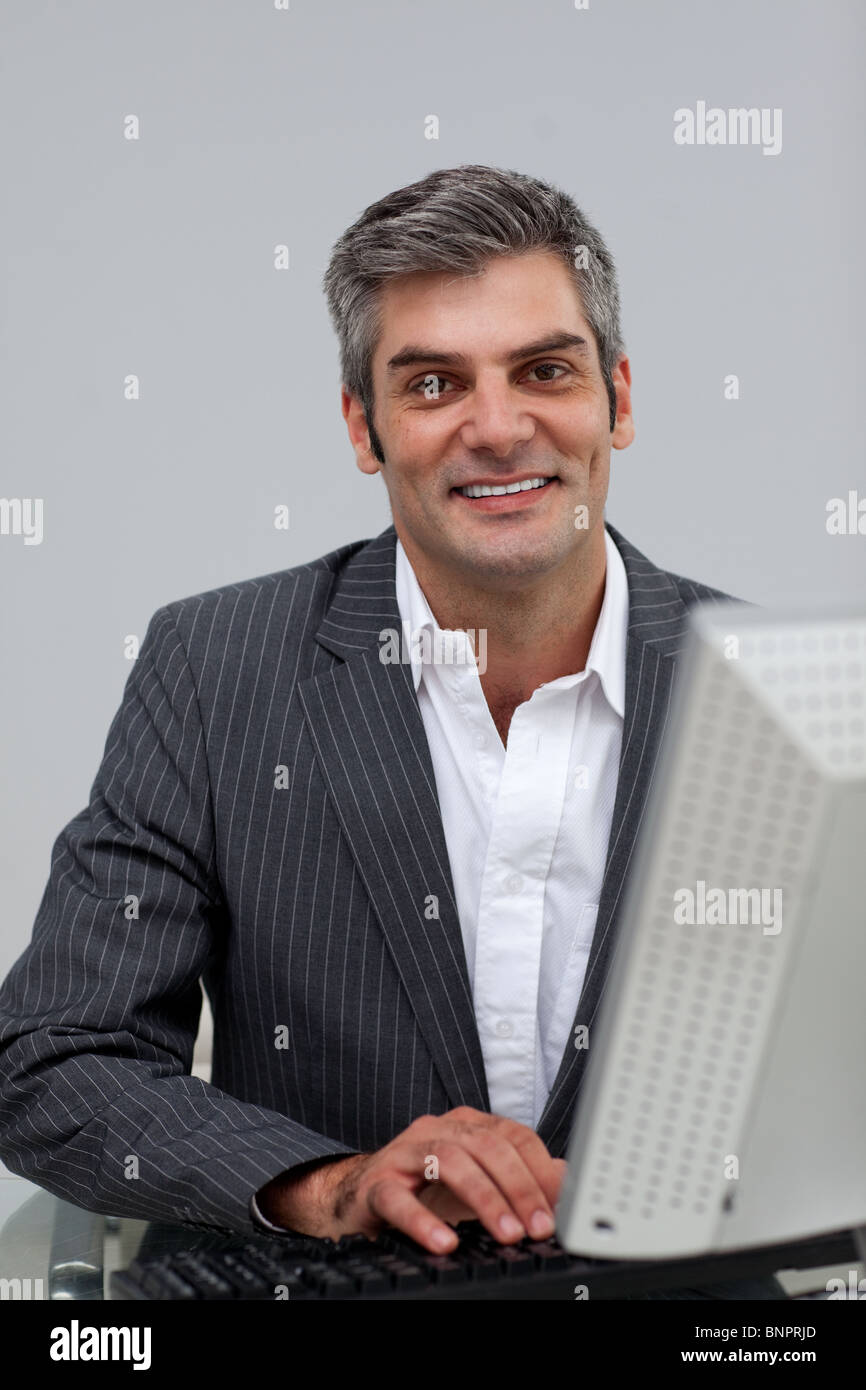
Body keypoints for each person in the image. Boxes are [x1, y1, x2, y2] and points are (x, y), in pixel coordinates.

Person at [0, 164, 786, 1297]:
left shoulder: (777, 695)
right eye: (431, 384)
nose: (497, 426)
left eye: (544, 370)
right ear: (362, 427)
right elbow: (57, 1059)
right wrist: (330, 1183)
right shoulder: (217, 671)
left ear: (616, 395)